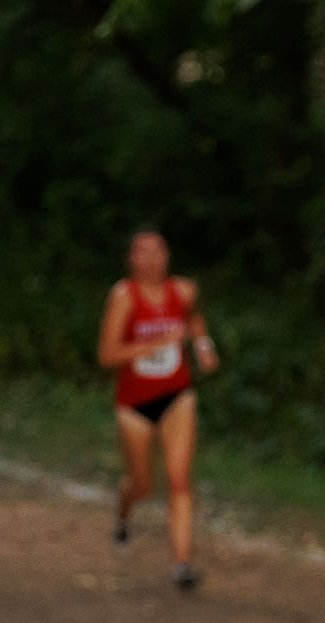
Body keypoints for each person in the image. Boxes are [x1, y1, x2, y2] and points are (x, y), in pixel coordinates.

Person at [97, 230, 220, 590]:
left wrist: (203, 346)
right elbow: (107, 355)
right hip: (134, 405)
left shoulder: (183, 291)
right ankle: (123, 511)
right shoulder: (124, 296)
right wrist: (154, 343)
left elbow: (193, 320)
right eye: (141, 252)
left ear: (167, 255)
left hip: (177, 396)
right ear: (130, 259)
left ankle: (182, 564)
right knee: (142, 484)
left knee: (179, 480)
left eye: (157, 251)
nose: (150, 259)